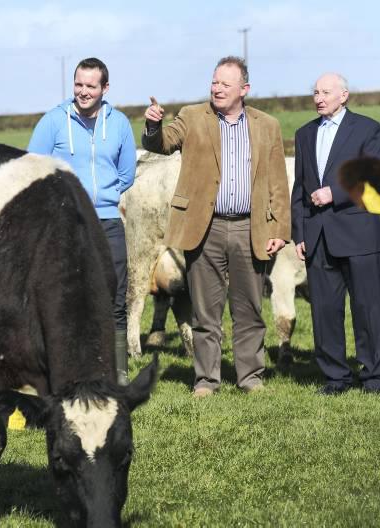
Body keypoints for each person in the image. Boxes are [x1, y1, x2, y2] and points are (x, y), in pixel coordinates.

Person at [142, 56, 290, 397]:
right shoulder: (192, 117)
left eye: (225, 83)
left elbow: (279, 184)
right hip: (203, 228)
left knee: (249, 309)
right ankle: (207, 379)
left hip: (249, 228)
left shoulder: (267, 125)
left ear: (244, 89)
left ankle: (250, 377)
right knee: (206, 311)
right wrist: (152, 125)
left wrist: (279, 229)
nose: (217, 88)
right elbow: (161, 143)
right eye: (214, 82)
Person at [28, 57, 136, 385]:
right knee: (66, 301)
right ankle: (67, 372)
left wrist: (103, 195)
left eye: (91, 86)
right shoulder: (53, 122)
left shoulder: (118, 124)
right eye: (78, 84)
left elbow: (127, 172)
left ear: (105, 88)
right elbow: (32, 167)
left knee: (114, 298)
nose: (83, 92)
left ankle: (116, 374)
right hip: (65, 225)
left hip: (107, 223)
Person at [291, 72, 380, 395]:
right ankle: (335, 377)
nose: (319, 98)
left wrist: (336, 193)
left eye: (326, 92)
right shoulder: (304, 134)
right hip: (318, 237)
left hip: (360, 233)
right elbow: (300, 189)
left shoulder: (368, 129)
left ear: (343, 95)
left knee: (367, 308)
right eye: (315, 92)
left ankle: (373, 376)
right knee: (324, 311)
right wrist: (300, 232)